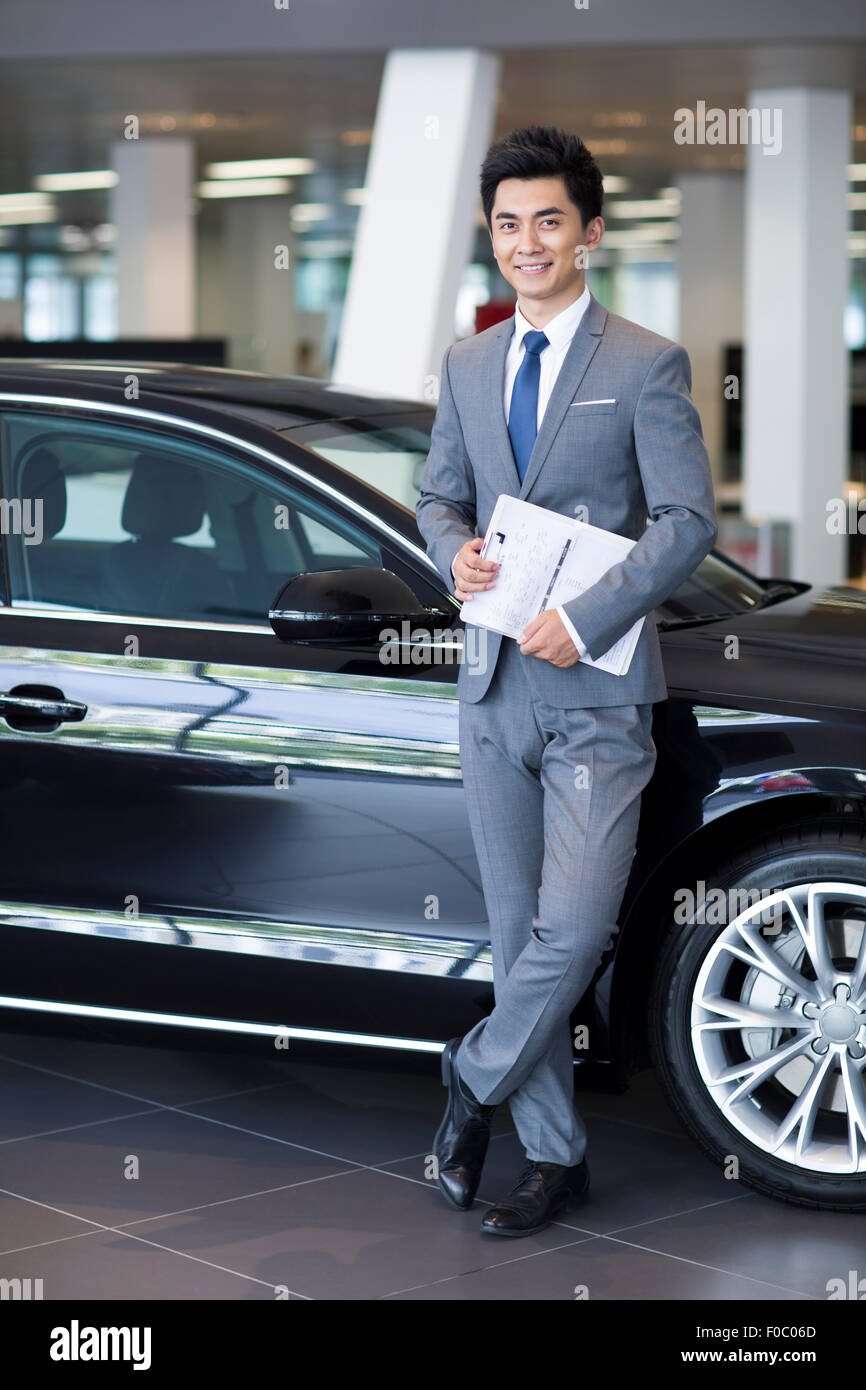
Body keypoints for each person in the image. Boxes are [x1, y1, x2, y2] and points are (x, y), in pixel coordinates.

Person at [415, 124, 718, 1238]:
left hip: (594, 695)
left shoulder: (644, 362)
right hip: (492, 689)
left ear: (588, 232)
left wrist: (584, 615)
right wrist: (452, 550)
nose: (526, 242)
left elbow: (687, 523)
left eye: (548, 220)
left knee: (576, 926)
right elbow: (436, 492)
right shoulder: (465, 362)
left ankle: (472, 1073)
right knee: (512, 932)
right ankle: (551, 1156)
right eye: (507, 224)